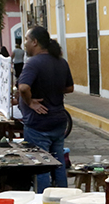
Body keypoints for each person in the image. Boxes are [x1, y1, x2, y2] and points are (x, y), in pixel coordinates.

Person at [17, 26, 73, 192]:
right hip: (58, 121)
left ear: (35, 42)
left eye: (26, 40)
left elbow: (23, 88)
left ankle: (42, 201)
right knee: (58, 163)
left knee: (40, 165)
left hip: (38, 123)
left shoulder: (33, 63)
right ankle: (63, 196)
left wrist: (30, 103)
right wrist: (53, 89)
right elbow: (69, 88)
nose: (24, 44)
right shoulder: (61, 62)